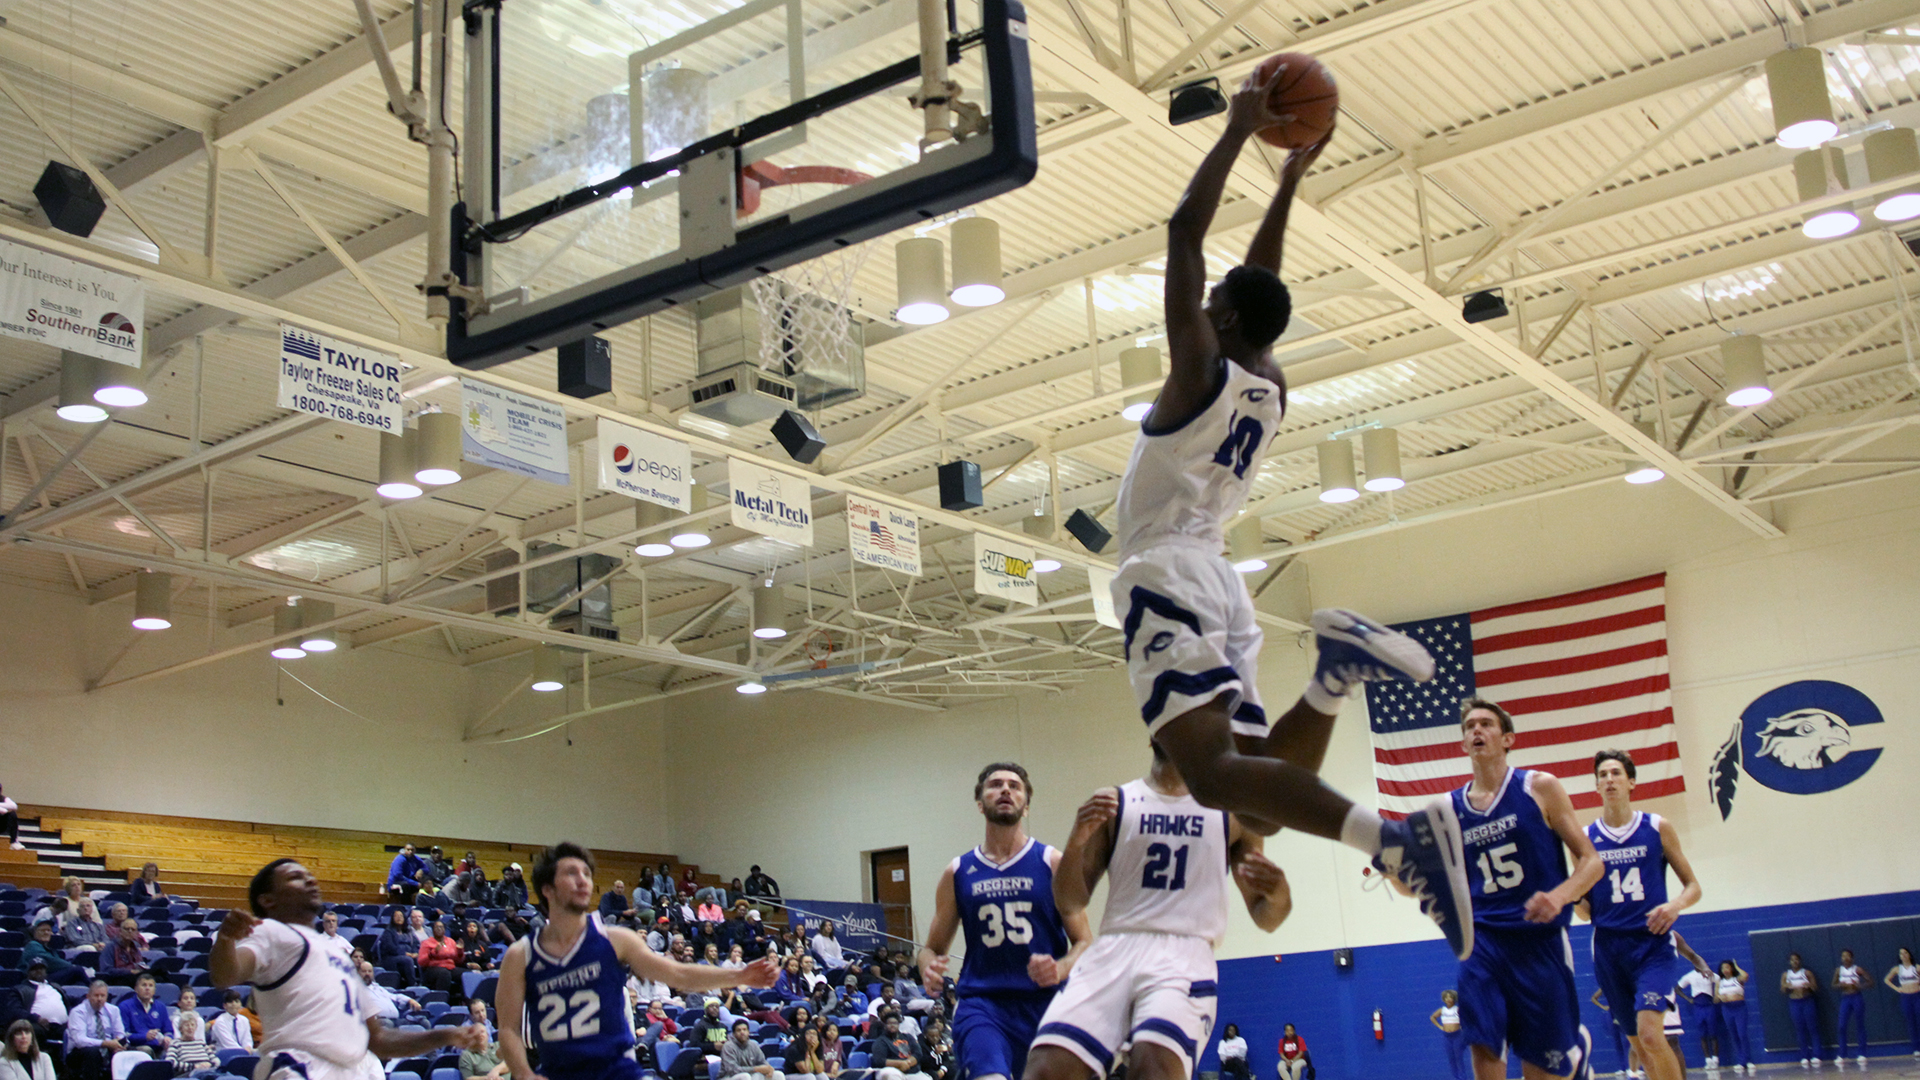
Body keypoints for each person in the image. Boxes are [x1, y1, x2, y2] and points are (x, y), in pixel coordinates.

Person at [1104, 61, 1472, 959]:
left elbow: (1185, 233)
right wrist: (1287, 183)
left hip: (1164, 568)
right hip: (1219, 577)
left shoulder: (1197, 368)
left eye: (1213, 303)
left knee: (1209, 774)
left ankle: (1395, 839)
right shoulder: (1268, 380)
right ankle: (1333, 674)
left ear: (1223, 322)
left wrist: (1236, 130)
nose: (1204, 300)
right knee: (1251, 795)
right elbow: (1256, 282)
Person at [1023, 743, 1291, 1080]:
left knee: (1153, 1068)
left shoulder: (1234, 811)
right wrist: (1076, 842)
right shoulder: (1116, 801)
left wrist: (1280, 894)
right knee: (1045, 1069)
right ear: (1153, 732)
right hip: (1113, 949)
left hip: (1184, 954)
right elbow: (1069, 902)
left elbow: (1266, 917)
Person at [492, 842, 778, 1080]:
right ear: (547, 888)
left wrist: (739, 976)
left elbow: (678, 974)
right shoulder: (520, 955)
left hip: (616, 1072)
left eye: (586, 873)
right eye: (571, 872)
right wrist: (525, 1074)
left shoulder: (616, 939)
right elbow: (507, 1029)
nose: (583, 880)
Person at [1427, 698, 1604, 1080]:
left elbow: (1592, 862)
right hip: (1482, 941)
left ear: (1508, 739)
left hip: (1538, 940)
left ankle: (1574, 1051)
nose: (1476, 730)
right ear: (1463, 743)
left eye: (1486, 723)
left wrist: (1559, 896)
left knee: (1541, 1068)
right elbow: (1427, 884)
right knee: (1485, 1052)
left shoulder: (1539, 787)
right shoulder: (1448, 809)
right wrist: (1398, 872)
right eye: (1469, 726)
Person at [209, 859, 487, 1080]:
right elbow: (225, 976)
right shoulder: (272, 932)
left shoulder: (339, 954)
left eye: (309, 875)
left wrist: (448, 1035)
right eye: (295, 877)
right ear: (268, 900)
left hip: (351, 1069)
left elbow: (379, 1039)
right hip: (300, 1065)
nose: (310, 879)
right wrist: (226, 939)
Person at [917, 764, 1089, 1080]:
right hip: (983, 1003)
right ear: (980, 804)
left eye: (1015, 785)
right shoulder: (958, 871)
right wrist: (927, 966)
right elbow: (930, 948)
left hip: (1047, 1003)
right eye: (996, 784)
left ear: (1026, 806)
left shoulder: (1052, 863)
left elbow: (1085, 941)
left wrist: (1061, 967)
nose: (1006, 789)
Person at [1578, 749, 1703, 1080]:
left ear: (1631, 781)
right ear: (1596, 785)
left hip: (1652, 945)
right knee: (1639, 1047)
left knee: (1650, 1035)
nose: (1609, 780)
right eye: (1603, 775)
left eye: (1616, 773)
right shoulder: (1586, 838)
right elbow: (1585, 912)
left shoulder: (1657, 827)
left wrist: (1675, 905)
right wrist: (1570, 897)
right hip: (1609, 950)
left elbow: (1693, 887)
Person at [64, 981, 128, 1080]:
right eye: (96, 995)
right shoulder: (78, 1012)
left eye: (102, 996)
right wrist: (105, 1043)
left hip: (109, 1049)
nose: (99, 999)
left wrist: (119, 1045)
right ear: (88, 996)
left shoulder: (114, 1010)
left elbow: (120, 1033)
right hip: (79, 1053)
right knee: (92, 1052)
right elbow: (80, 1041)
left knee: (130, 1051)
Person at [1780, 953, 1819, 1068]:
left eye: (1796, 959)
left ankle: (1817, 1055)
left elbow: (1815, 988)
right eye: (1792, 960)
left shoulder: (1806, 973)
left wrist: (1809, 985)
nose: (1795, 962)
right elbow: (1782, 990)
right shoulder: (1786, 974)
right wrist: (1786, 986)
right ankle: (1804, 1056)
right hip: (1794, 1002)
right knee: (1799, 1028)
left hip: (1807, 1001)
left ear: (1800, 961)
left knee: (1812, 1027)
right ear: (1789, 962)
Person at [1675, 962, 1717, 1070]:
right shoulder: (1690, 976)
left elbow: (1720, 981)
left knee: (1713, 1033)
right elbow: (1677, 988)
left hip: (1709, 1005)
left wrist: (1717, 994)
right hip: (1698, 1006)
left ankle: (1715, 1059)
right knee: (1702, 1034)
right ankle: (1707, 1060)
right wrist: (1688, 999)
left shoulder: (1709, 974)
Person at [120, 972, 174, 1054]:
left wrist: (168, 1038)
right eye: (144, 985)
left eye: (150, 986)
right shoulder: (125, 1006)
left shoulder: (161, 1006)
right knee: (146, 1050)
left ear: (154, 990)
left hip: (158, 1046)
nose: (147, 988)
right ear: (136, 989)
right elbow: (124, 1035)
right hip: (136, 1047)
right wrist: (144, 1036)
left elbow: (168, 1030)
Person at [1714, 960, 1752, 1075]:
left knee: (1742, 1034)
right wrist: (1720, 997)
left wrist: (1737, 966)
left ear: (1731, 969)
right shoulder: (1720, 982)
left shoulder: (1737, 979)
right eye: (1723, 968)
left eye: (1727, 967)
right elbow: (1715, 1000)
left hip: (1739, 1008)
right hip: (1727, 1009)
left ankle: (1748, 1060)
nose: (1725, 970)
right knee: (1734, 1035)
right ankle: (1741, 1061)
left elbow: (1745, 976)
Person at [357, 960, 419, 1026]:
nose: (367, 974)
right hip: (378, 1022)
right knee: (389, 1024)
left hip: (395, 1020)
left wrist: (410, 1000)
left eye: (369, 971)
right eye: (364, 971)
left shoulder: (378, 988)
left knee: (420, 1021)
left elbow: (394, 997)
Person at [1832, 948, 1867, 1066]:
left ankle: (1862, 1053)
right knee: (1841, 1026)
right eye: (1843, 956)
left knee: (1860, 1024)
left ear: (1852, 958)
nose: (1845, 958)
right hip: (1845, 998)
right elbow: (1833, 985)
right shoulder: (1839, 970)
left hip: (1856, 997)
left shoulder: (1857, 969)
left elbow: (1870, 981)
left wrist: (1860, 986)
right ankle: (1842, 1054)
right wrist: (1840, 985)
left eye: (1848, 956)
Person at [1886, 946, 1920, 1058]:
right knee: (1911, 1022)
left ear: (1909, 954)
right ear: (1899, 956)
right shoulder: (1897, 969)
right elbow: (1886, 979)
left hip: (1917, 996)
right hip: (1905, 997)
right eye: (1901, 953)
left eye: (1905, 953)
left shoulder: (1916, 967)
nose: (1904, 955)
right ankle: (1916, 1048)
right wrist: (1897, 988)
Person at [168, 1011, 220, 1077]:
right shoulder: (175, 1043)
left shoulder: (201, 1043)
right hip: (189, 1075)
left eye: (192, 1025)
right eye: (187, 1025)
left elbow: (216, 1060)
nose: (190, 1028)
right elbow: (170, 1063)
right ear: (180, 1029)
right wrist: (194, 1066)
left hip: (207, 1072)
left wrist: (210, 1064)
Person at [417, 921, 462, 997]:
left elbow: (458, 960)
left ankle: (466, 1000)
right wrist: (433, 953)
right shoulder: (426, 942)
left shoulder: (451, 941)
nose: (439, 929)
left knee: (467, 974)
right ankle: (440, 998)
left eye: (441, 927)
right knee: (444, 973)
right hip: (432, 969)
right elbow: (421, 962)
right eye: (436, 927)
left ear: (444, 930)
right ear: (433, 930)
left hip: (450, 967)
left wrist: (460, 951)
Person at [1429, 991, 1466, 1080]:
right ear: (1444, 999)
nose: (1448, 999)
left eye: (1450, 997)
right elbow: (1432, 1017)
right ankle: (1456, 1077)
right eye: (1446, 997)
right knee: (1451, 1058)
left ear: (1454, 999)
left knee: (1458, 1058)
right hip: (1447, 1036)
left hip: (1457, 1036)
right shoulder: (1442, 1010)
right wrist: (1440, 1027)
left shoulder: (1457, 1009)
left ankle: (1463, 1078)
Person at [0, 784, 22, 851]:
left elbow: (14, 806)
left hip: (1, 825)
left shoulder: (4, 799)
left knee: (12, 814)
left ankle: (14, 842)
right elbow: (3, 811)